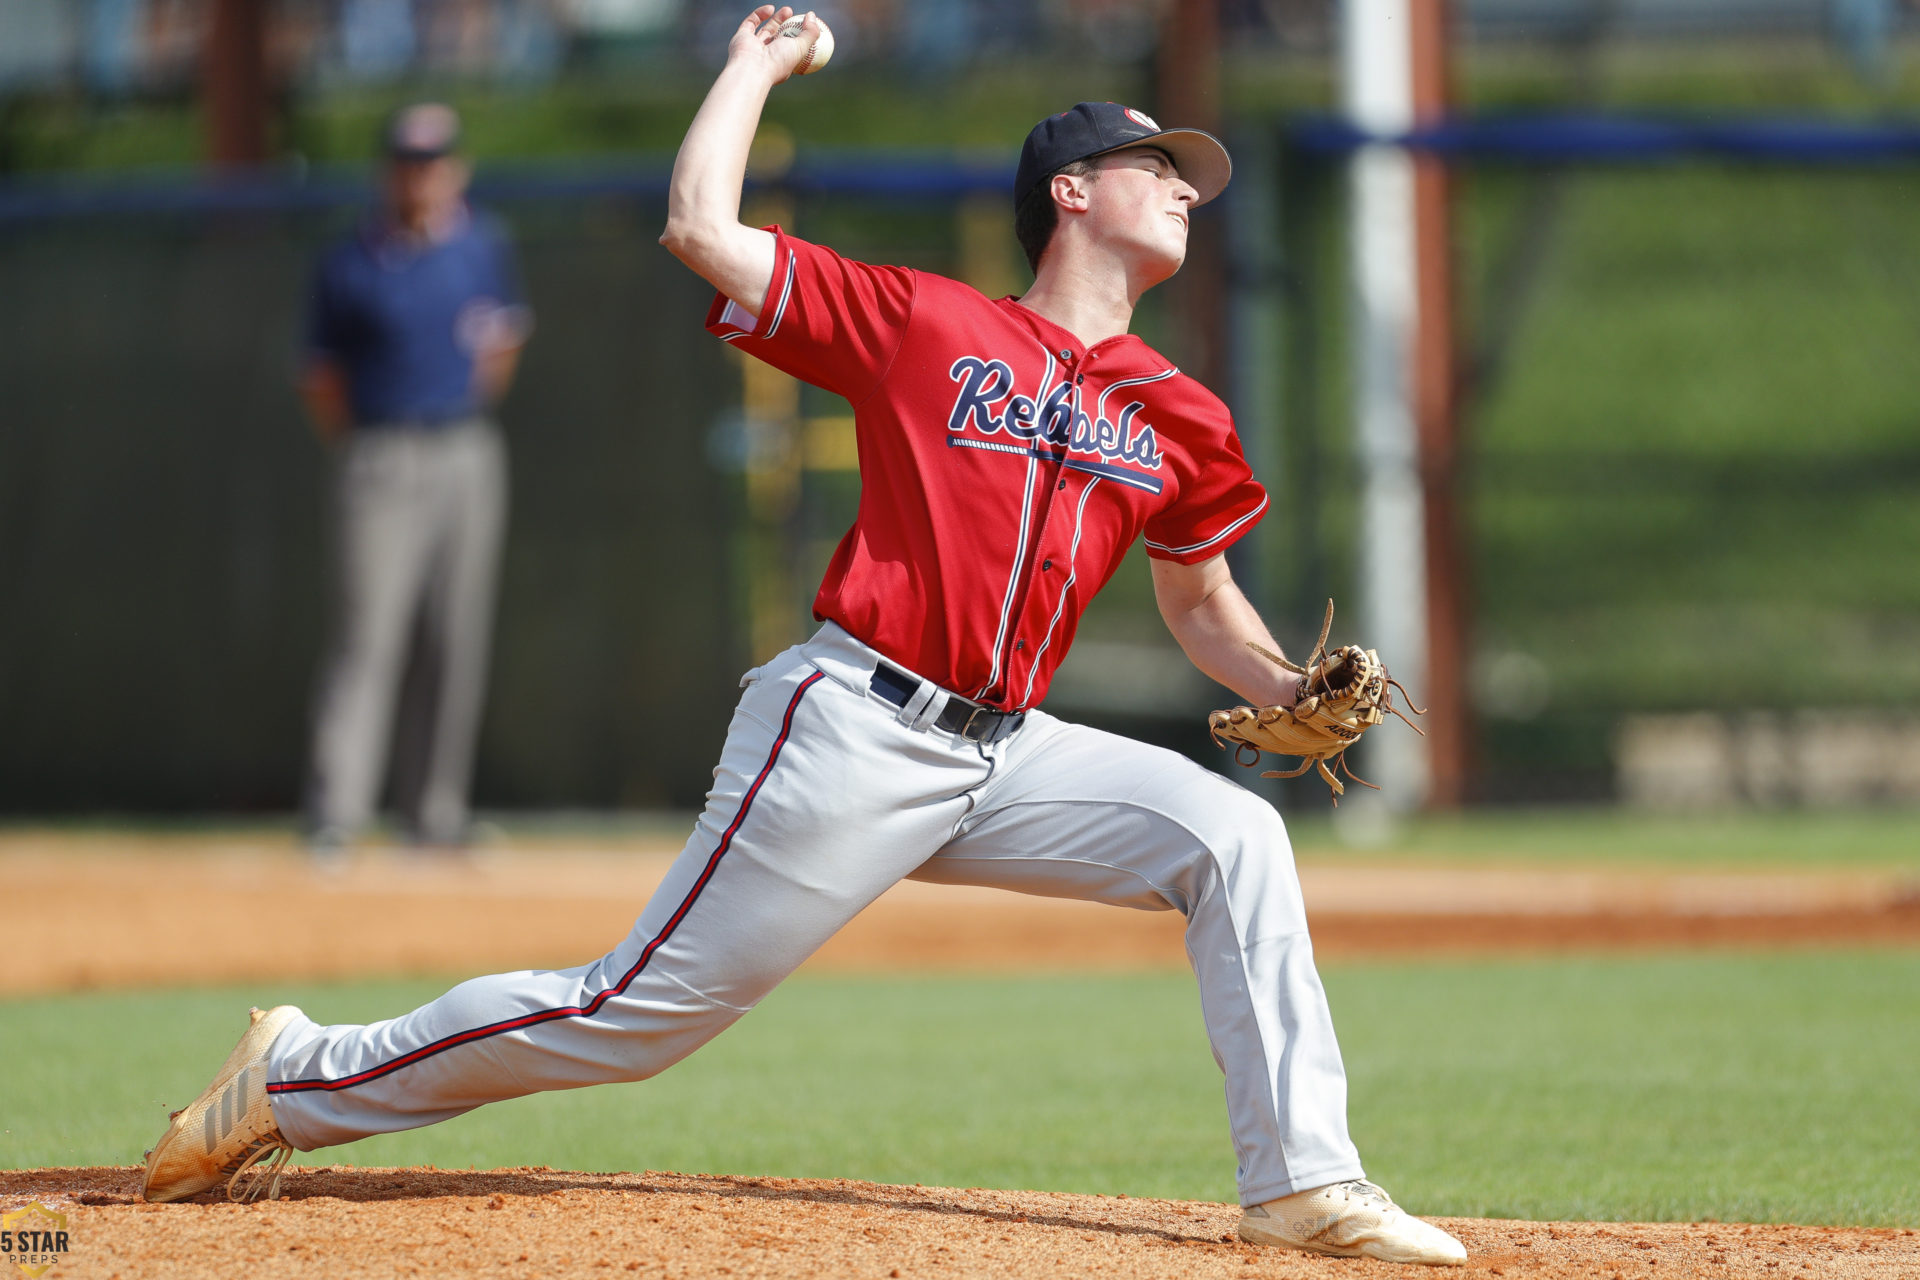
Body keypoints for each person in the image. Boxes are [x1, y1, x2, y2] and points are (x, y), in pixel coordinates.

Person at [141, 11, 1466, 1266]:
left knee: (1235, 836)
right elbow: (699, 227)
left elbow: (1199, 604)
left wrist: (1288, 683)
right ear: (1070, 192)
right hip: (855, 728)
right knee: (625, 1020)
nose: (1187, 186)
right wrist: (756, 63)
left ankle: (1300, 1183)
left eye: (1189, 173)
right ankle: (302, 1072)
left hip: (1010, 757)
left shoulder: (1178, 412)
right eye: (1155, 164)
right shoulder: (930, 325)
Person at [299, 102, 531, 855]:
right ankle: (337, 813)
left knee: (454, 638)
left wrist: (459, 412)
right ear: (387, 170)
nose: (420, 174)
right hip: (382, 453)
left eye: (433, 161)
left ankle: (432, 816)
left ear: (454, 169)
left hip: (465, 448)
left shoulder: (482, 244)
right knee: (368, 634)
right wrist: (370, 442)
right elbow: (321, 379)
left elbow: (502, 342)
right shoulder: (351, 259)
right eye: (408, 161)